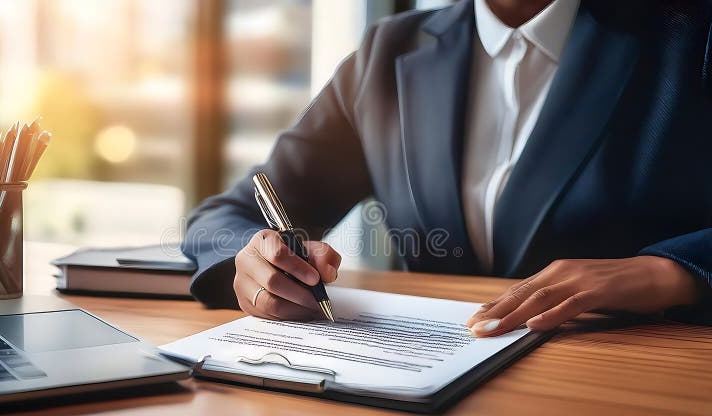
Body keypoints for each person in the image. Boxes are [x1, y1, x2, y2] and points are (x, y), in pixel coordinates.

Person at [181, 0, 712, 337]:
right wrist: (253, 261)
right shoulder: (389, 52)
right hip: (430, 380)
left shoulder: (691, 33)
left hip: (632, 371)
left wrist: (674, 272)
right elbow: (225, 217)